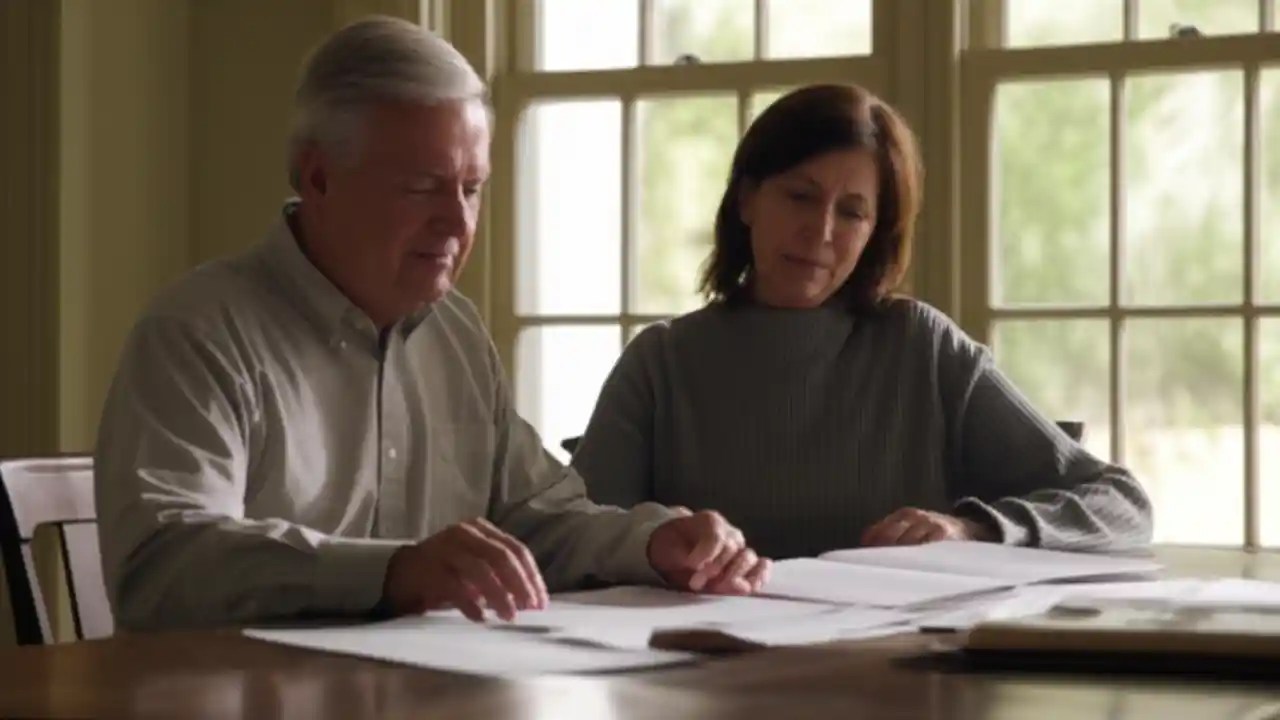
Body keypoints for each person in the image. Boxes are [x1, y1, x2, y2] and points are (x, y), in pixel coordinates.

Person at [94, 17, 769, 632]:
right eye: (422, 186)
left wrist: (654, 545)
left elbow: (537, 517)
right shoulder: (200, 331)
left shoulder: (456, 333)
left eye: (471, 188)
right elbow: (165, 566)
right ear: (319, 178)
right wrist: (392, 571)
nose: (457, 222)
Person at [572, 84, 1152, 560]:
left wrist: (970, 529)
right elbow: (574, 538)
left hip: (895, 680)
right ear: (747, 199)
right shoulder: (661, 362)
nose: (820, 232)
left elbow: (1122, 505)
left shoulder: (923, 348)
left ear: (876, 232)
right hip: (698, 678)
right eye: (800, 196)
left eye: (851, 212)